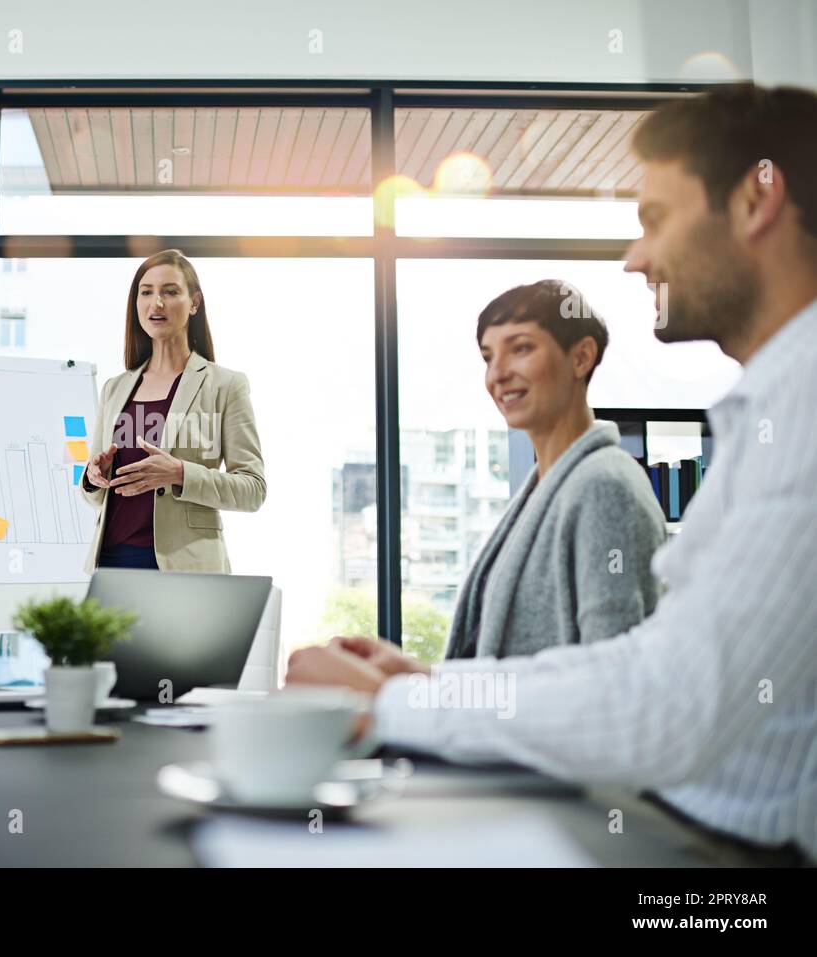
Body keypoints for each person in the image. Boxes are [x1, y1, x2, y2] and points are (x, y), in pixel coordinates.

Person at [287, 84, 817, 863]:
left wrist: (397, 704)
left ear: (755, 200)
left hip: (728, 865)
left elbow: (662, 703)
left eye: (656, 220)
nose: (636, 258)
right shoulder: (771, 405)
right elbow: (641, 664)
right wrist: (439, 686)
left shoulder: (796, 408)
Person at [445, 280, 665, 660]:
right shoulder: (541, 492)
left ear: (581, 358)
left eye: (520, 348)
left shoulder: (604, 488)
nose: (497, 375)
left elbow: (612, 673)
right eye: (487, 357)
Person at [81, 249, 265, 572]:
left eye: (170, 292)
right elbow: (95, 495)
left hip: (187, 567)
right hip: (112, 562)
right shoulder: (115, 388)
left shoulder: (225, 386)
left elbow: (253, 489)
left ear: (194, 303)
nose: (157, 303)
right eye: (146, 292)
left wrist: (181, 474)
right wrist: (93, 477)